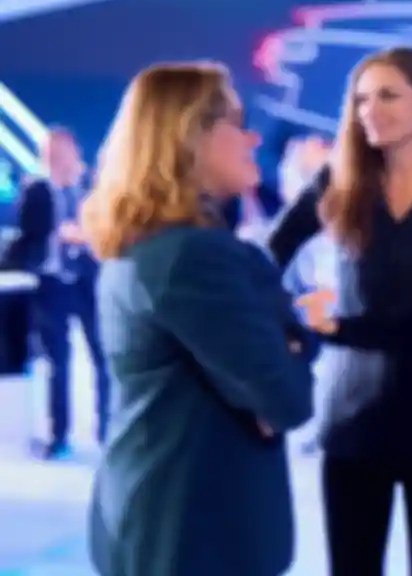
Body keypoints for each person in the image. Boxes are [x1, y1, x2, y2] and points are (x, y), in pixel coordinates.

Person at [269, 47, 412, 576]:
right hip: (354, 420)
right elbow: (265, 260)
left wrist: (340, 327)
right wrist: (294, 325)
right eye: (362, 99)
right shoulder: (338, 184)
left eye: (388, 95)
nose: (371, 109)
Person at [82, 63, 315, 576]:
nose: (253, 137)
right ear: (192, 135)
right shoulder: (195, 257)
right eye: (238, 121)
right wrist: (297, 341)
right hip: (194, 534)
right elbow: (287, 400)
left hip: (155, 520)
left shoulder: (142, 247)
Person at [8, 127, 106, 457]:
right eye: (49, 155)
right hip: (51, 284)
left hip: (88, 282)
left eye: (61, 153)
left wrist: (87, 237)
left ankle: (107, 431)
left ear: (75, 153)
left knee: (102, 358)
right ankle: (59, 435)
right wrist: (56, 235)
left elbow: (111, 229)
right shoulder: (35, 191)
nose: (55, 160)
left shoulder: (94, 188)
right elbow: (27, 235)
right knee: (57, 362)